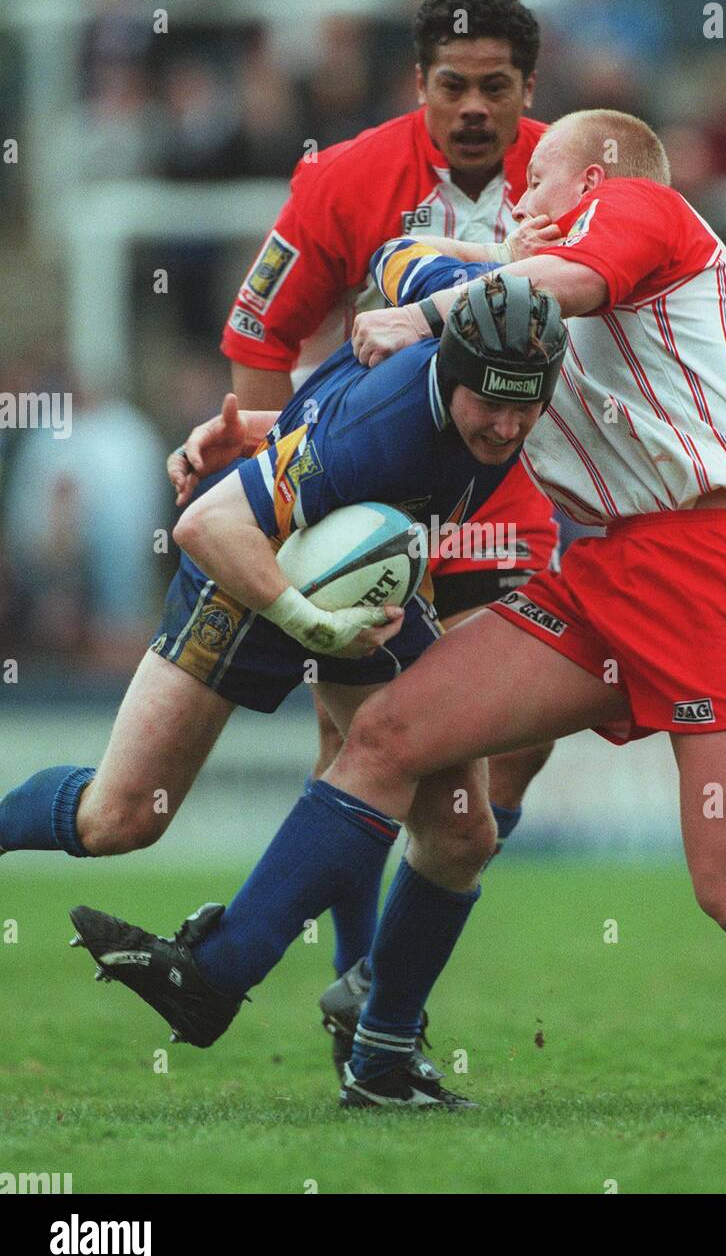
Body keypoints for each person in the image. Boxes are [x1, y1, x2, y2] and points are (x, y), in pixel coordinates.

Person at [64, 111, 726, 1109]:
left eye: (542, 178)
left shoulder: (636, 211)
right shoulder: (520, 278)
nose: (522, 195)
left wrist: (429, 312)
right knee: (388, 735)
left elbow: (549, 287)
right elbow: (425, 308)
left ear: (598, 176)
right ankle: (248, 988)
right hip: (604, 568)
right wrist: (265, 429)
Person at [5, 270, 566, 1107]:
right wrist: (306, 618)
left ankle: (376, 1061)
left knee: (459, 826)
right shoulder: (387, 432)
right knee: (120, 818)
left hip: (353, 585)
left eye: (528, 406)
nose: (509, 425)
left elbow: (406, 257)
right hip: (249, 577)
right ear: (451, 370)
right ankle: (223, 972)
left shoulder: (471, 309)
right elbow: (207, 523)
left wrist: (284, 425)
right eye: (491, 403)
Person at [176, 0, 567, 1063]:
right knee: (362, 743)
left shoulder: (575, 177)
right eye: (454, 86)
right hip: (375, 500)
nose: (475, 106)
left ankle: (376, 970)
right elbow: (263, 326)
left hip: (522, 503)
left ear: (529, 91)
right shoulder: (346, 176)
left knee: (511, 753)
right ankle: (370, 1002)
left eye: (497, 86)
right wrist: (271, 459)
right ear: (418, 86)